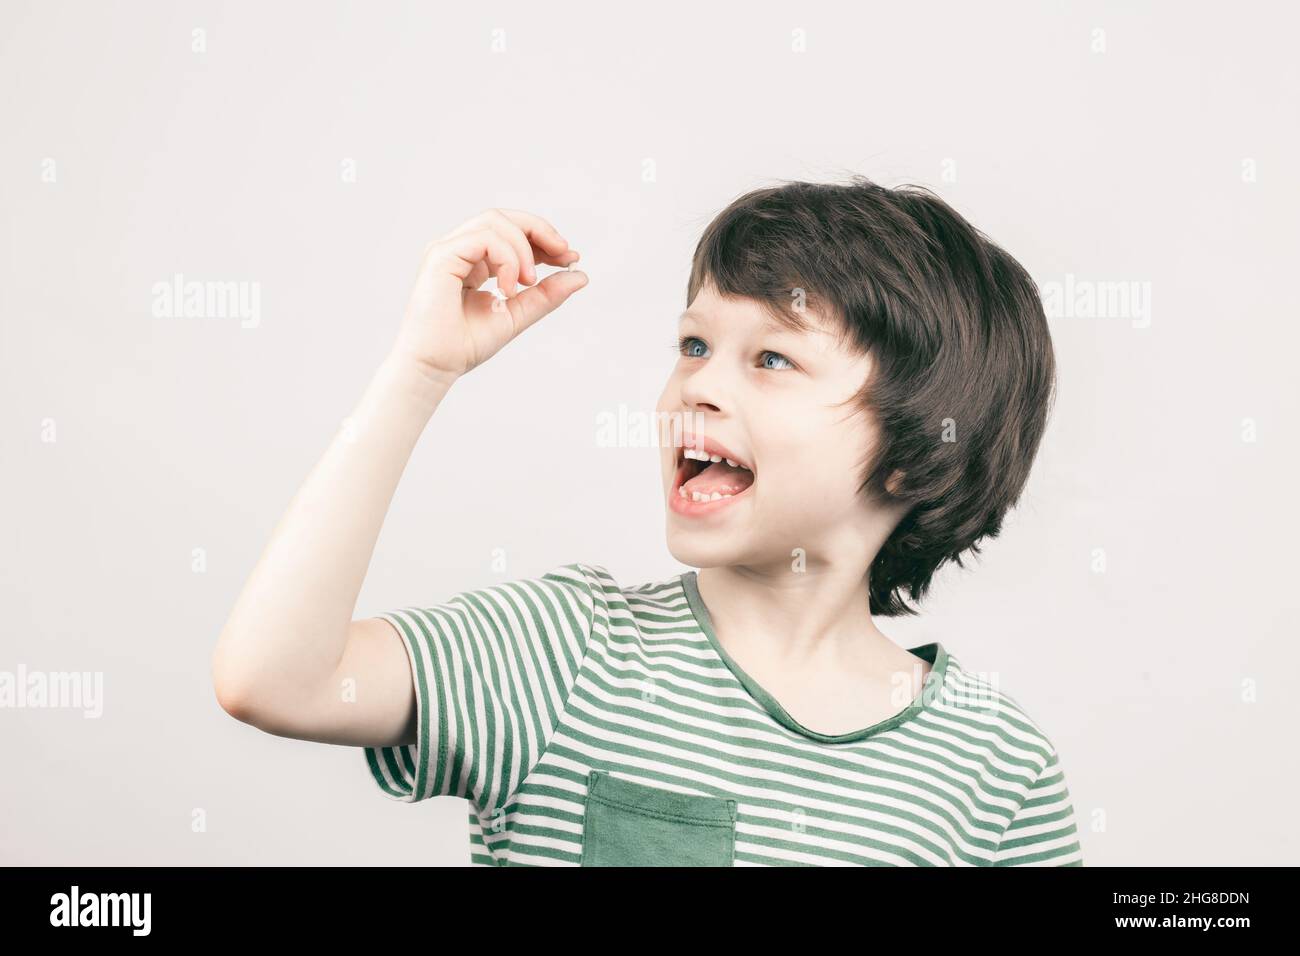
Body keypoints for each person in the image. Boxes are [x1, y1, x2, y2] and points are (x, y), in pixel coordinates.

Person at [212, 179, 1084, 866]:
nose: (696, 386)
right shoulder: (566, 650)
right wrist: (420, 371)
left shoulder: (998, 769)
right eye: (695, 345)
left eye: (772, 358)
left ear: (912, 452)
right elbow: (275, 679)